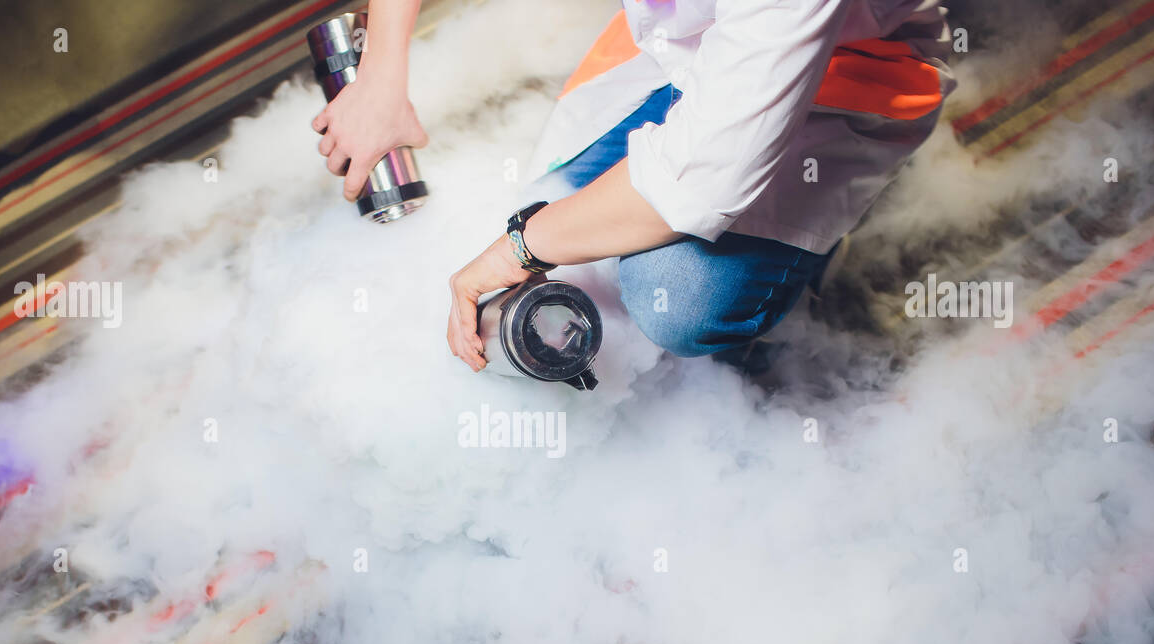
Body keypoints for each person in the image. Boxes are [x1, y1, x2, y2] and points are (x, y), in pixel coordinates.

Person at [313, 0, 955, 372]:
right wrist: (380, 73)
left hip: (841, 74)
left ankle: (803, 255)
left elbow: (702, 176)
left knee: (677, 300)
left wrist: (516, 249)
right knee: (563, 192)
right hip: (687, 39)